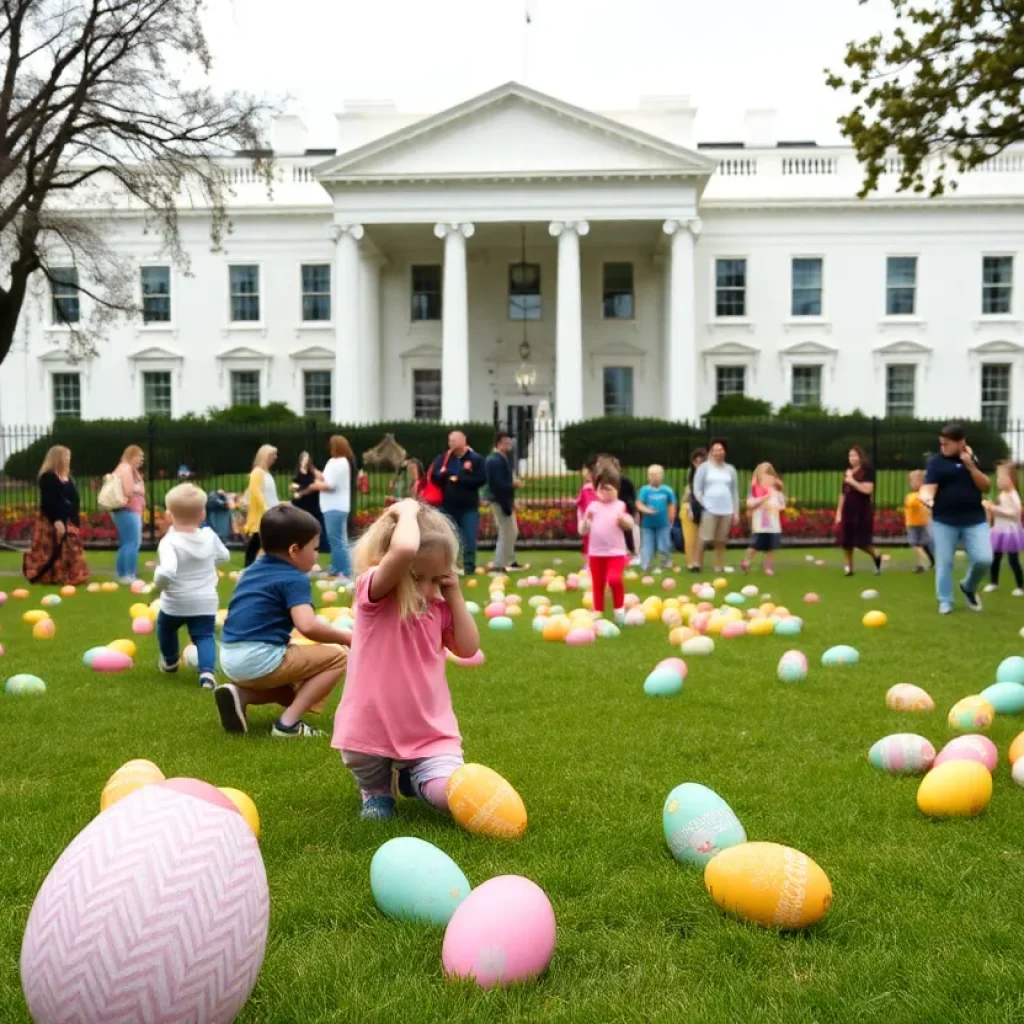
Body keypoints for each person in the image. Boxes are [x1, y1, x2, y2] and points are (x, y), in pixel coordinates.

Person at [331, 499, 479, 820]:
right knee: (364, 759)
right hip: (371, 730)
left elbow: (468, 648)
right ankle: (377, 790)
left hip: (429, 732)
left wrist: (453, 594)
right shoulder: (374, 595)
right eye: (417, 577)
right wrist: (407, 510)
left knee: (451, 795)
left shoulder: (438, 608)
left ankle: (417, 777)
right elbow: (405, 550)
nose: (428, 589)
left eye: (436, 578)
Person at [215, 505, 350, 738]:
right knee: (339, 657)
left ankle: (241, 695)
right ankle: (287, 725)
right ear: (294, 550)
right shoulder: (293, 578)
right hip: (259, 658)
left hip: (229, 657)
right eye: (315, 548)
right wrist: (348, 638)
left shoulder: (250, 571)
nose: (317, 555)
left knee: (291, 690)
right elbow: (307, 626)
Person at [153, 483, 231, 690]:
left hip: (176, 601)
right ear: (203, 513)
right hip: (204, 600)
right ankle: (207, 673)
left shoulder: (169, 541)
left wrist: (157, 585)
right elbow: (224, 556)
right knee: (204, 635)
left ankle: (170, 661)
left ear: (169, 515)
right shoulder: (209, 536)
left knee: (165, 627)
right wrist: (208, 564)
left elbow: (167, 571)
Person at [920, 423, 992, 614]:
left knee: (984, 559)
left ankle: (968, 586)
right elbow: (929, 486)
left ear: (961, 442)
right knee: (944, 562)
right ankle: (945, 601)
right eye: (941, 443)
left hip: (974, 519)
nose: (942, 447)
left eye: (946, 444)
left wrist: (970, 466)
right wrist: (926, 497)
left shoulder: (972, 457)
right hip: (944, 520)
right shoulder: (936, 462)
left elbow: (986, 487)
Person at [23, 445, 89, 586]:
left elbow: (74, 499)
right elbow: (49, 502)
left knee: (73, 548)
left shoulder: (68, 478)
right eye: (65, 457)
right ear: (57, 459)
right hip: (53, 519)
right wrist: (57, 520)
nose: (68, 460)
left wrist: (74, 520)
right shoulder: (48, 477)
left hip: (69, 519)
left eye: (69, 457)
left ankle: (73, 575)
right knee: (51, 550)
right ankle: (51, 575)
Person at [579, 464, 633, 624]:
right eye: (602, 489)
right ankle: (598, 610)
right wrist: (586, 523)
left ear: (616, 489)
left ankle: (619, 609)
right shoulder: (593, 507)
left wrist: (623, 522)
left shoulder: (620, 505)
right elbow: (583, 529)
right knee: (598, 582)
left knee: (615, 579)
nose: (605, 493)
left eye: (609, 489)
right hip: (596, 552)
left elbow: (629, 523)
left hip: (615, 552)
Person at [429, 431, 486, 575]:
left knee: (469, 537)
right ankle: (450, 567)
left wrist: (460, 479)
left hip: (468, 506)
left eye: (454, 440)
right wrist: (441, 474)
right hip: (448, 505)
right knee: (449, 538)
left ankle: (469, 567)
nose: (451, 443)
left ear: (463, 440)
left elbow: (481, 479)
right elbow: (434, 477)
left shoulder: (475, 459)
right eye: (449, 441)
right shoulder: (444, 458)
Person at [692, 440, 739, 574]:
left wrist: (735, 511)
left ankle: (718, 566)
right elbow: (697, 489)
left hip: (726, 508)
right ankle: (697, 563)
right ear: (711, 452)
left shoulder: (730, 469)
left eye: (721, 449)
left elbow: (734, 491)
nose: (718, 452)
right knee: (704, 537)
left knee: (721, 539)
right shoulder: (704, 468)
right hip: (710, 508)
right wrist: (704, 503)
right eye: (715, 450)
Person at [836, 445, 882, 577]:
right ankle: (849, 567)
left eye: (855, 455)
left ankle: (876, 555)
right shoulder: (848, 472)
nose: (852, 458)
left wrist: (852, 480)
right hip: (848, 510)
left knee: (862, 541)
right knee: (846, 540)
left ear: (861, 457)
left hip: (861, 510)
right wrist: (838, 512)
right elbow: (843, 494)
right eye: (850, 455)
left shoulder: (867, 471)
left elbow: (867, 490)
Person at [983, 462, 1024, 596]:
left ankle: (1020, 586)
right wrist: (990, 509)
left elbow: (1014, 513)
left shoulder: (1013, 495)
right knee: (995, 558)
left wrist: (994, 508)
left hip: (1010, 531)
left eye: (1002, 478)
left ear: (1011, 479)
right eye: (998, 478)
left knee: (1013, 560)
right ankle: (993, 582)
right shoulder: (1002, 495)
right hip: (999, 530)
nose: (999, 481)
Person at [485, 431, 523, 572]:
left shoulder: (500, 459)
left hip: (503, 500)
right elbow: (497, 485)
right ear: (499, 444)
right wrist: (513, 484)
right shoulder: (495, 461)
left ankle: (511, 561)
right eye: (506, 443)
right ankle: (499, 565)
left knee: (511, 531)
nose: (509, 446)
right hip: (500, 501)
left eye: (510, 443)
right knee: (507, 532)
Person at [741, 462, 785, 575]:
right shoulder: (756, 491)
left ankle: (768, 566)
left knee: (770, 548)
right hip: (760, 525)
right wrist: (761, 500)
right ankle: (747, 560)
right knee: (755, 545)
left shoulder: (777, 492)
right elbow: (750, 503)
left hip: (773, 525)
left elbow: (781, 505)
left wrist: (774, 508)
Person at [321, 435, 355, 581]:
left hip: (335, 507)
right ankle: (336, 568)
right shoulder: (335, 462)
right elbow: (325, 478)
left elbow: (330, 485)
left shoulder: (340, 462)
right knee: (335, 539)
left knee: (337, 540)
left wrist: (311, 487)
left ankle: (345, 572)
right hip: (331, 506)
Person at [110, 445, 146, 584]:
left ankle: (122, 574)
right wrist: (140, 489)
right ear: (132, 455)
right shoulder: (126, 468)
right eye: (140, 457)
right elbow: (129, 490)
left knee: (126, 543)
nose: (141, 460)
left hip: (126, 511)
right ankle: (129, 575)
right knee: (133, 543)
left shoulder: (124, 468)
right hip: (128, 510)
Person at [242, 444, 280, 568]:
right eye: (272, 455)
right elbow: (255, 491)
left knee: (259, 543)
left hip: (270, 512)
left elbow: (269, 493)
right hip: (262, 515)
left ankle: (252, 567)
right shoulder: (258, 472)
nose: (275, 458)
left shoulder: (266, 473)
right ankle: (250, 567)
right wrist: (265, 508)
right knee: (257, 543)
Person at [636, 464, 677, 572]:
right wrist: (647, 510)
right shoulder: (644, 490)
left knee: (664, 545)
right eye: (651, 475)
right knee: (647, 546)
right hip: (647, 525)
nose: (653, 477)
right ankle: (646, 565)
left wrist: (671, 517)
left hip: (663, 524)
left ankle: (666, 563)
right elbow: (639, 504)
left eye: (656, 474)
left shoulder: (667, 490)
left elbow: (672, 504)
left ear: (661, 476)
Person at [291, 450, 329, 558]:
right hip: (301, 507)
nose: (305, 461)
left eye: (307, 458)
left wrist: (304, 490)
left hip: (313, 507)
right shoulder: (298, 475)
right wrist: (304, 489)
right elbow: (295, 490)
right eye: (303, 458)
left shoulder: (313, 473)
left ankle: (321, 549)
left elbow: (321, 482)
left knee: (319, 531)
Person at [682, 448, 708, 572]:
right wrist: (691, 508)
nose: (698, 463)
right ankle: (694, 563)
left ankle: (698, 562)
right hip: (695, 506)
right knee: (694, 536)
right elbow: (691, 494)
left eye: (701, 460)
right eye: (695, 461)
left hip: (707, 506)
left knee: (702, 536)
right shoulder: (692, 474)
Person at [904, 469, 934, 573]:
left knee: (916, 544)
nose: (910, 483)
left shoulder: (916, 496)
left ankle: (922, 564)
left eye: (912, 480)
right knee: (921, 544)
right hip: (915, 523)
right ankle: (925, 562)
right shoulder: (915, 495)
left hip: (915, 524)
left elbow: (923, 507)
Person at [575, 457, 597, 567]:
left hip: (589, 521)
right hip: (588, 521)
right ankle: (590, 564)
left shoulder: (588, 489)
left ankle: (590, 564)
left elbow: (583, 505)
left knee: (589, 542)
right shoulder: (588, 488)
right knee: (589, 542)